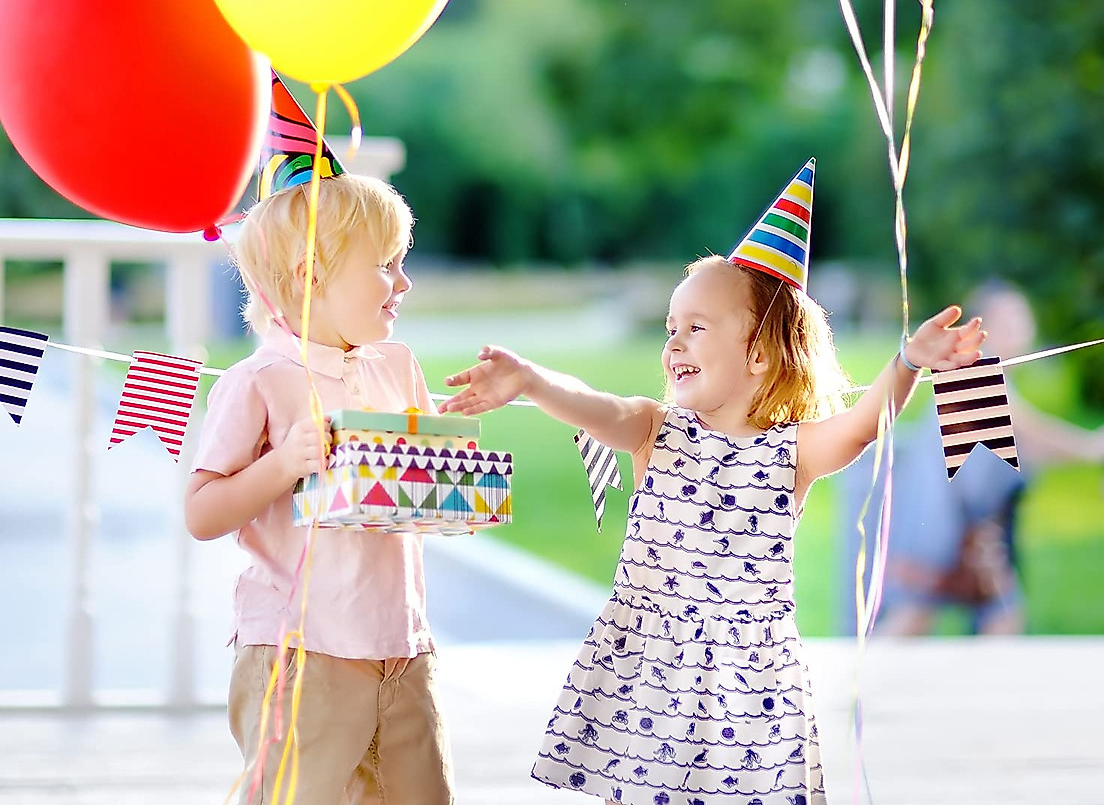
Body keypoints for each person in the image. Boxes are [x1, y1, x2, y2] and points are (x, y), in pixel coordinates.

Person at [443, 160, 985, 805]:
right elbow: (597, 407)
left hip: (746, 679)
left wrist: (907, 363)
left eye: (696, 328)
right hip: (652, 673)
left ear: (758, 353)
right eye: (671, 329)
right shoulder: (654, 427)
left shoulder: (793, 450)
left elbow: (864, 425)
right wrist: (532, 381)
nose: (674, 344)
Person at [185, 74, 453, 805]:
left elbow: (425, 493)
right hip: (299, 650)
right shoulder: (259, 381)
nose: (404, 283)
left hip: (399, 643)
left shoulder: (398, 365)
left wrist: (454, 490)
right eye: (384, 266)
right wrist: (285, 462)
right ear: (311, 277)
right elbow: (204, 513)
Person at [874, 280, 1104, 637]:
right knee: (917, 614)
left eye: (1021, 318)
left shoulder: (992, 376)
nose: (1019, 328)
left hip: (965, 524)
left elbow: (1023, 449)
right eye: (1006, 319)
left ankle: (979, 688)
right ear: (982, 329)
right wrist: (1091, 449)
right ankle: (863, 688)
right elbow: (1029, 434)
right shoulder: (976, 372)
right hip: (936, 523)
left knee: (1000, 611)